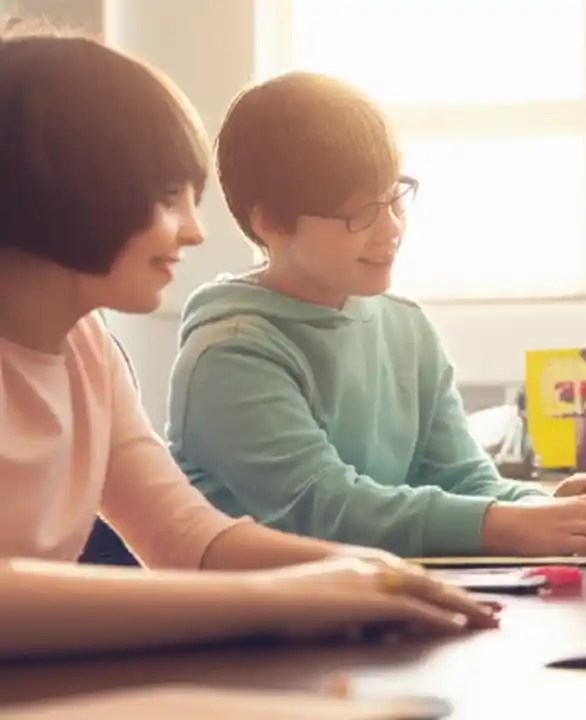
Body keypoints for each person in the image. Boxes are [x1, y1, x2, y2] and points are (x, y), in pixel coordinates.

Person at [0, 21, 494, 658]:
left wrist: (375, 573)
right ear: (69, 187)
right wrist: (293, 597)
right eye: (169, 196)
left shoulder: (88, 347)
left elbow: (190, 538)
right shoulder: (224, 342)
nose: (194, 232)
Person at [166, 72, 586, 559]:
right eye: (359, 214)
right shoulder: (229, 355)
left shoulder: (406, 327)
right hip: (260, 623)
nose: (390, 230)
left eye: (394, 198)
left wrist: (549, 510)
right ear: (269, 222)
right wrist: (512, 523)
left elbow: (464, 480)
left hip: (376, 606)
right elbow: (328, 511)